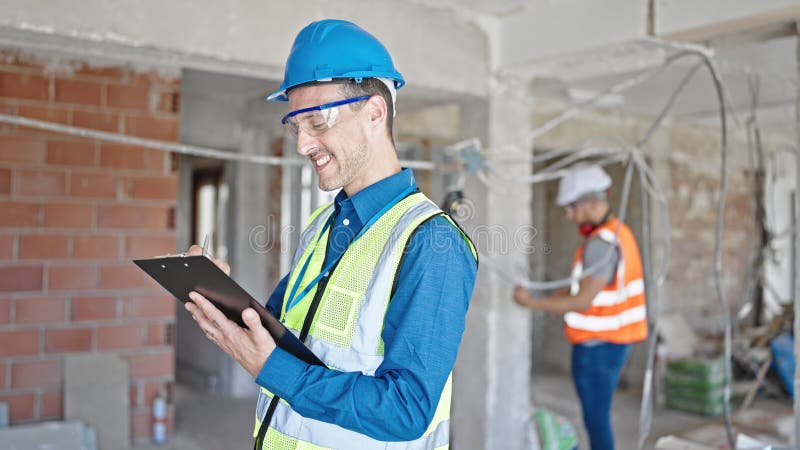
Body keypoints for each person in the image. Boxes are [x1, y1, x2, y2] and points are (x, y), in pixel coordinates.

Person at [184, 19, 478, 450]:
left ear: (374, 112)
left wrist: (273, 370)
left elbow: (407, 409)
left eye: (318, 121)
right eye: (295, 125)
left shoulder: (431, 243)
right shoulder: (323, 224)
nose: (302, 145)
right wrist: (222, 303)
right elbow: (287, 331)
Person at [513, 164, 647, 450]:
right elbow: (582, 290)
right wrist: (543, 294)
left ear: (592, 202)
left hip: (598, 347)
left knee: (596, 420)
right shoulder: (618, 233)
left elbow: (582, 300)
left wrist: (531, 303)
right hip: (612, 342)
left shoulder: (600, 244)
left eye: (571, 207)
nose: (568, 215)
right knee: (597, 417)